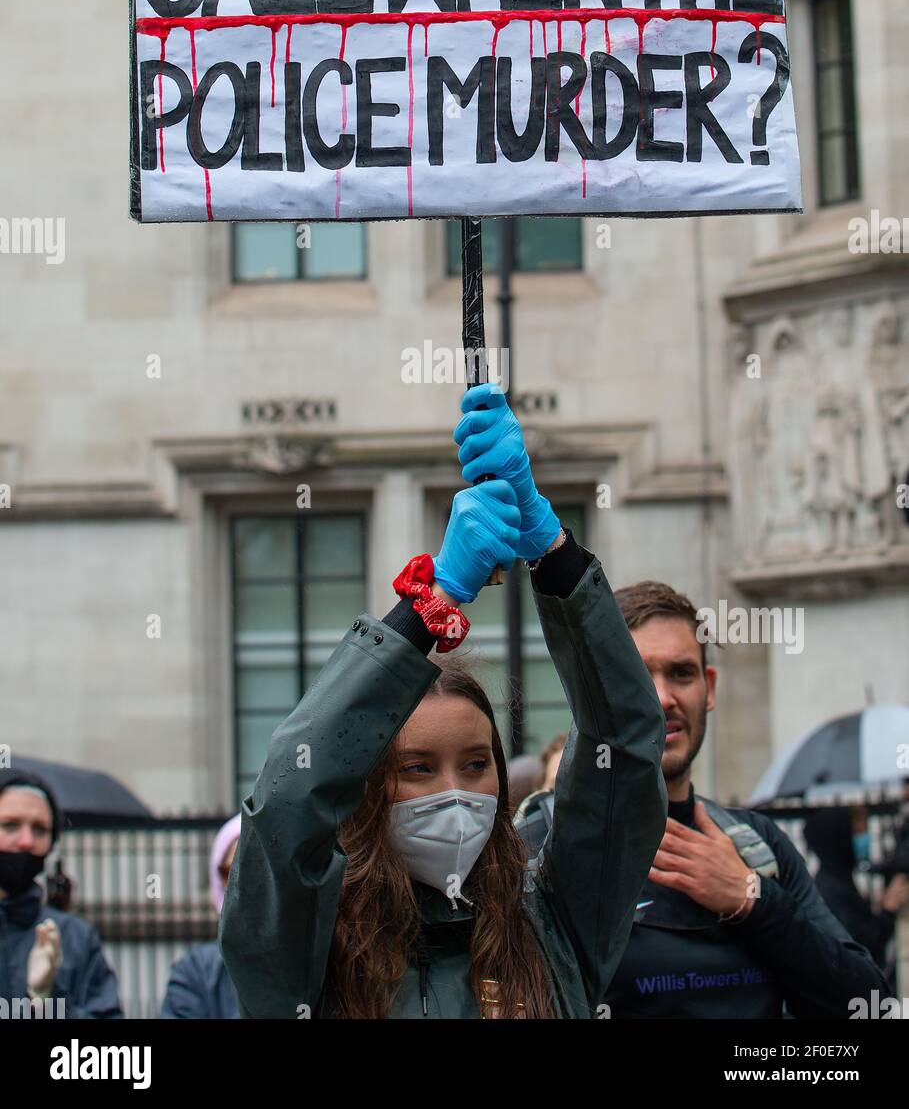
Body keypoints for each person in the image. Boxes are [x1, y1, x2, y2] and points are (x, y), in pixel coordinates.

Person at [220, 386, 666, 1019]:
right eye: (417, 768)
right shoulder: (308, 948)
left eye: (477, 764)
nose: (453, 793)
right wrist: (432, 602)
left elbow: (625, 749)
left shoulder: (555, 926)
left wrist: (552, 550)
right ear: (369, 787)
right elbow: (289, 800)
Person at [517, 581, 891, 1018]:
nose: (661, 699)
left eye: (681, 673)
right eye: (636, 677)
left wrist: (752, 900)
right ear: (596, 694)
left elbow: (867, 1003)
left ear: (709, 688)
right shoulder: (540, 845)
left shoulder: (757, 844)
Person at [0, 769, 122, 1018]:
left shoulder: (76, 938)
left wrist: (45, 1001)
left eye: (40, 829)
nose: (26, 841)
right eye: (10, 825)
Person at [803, 805, 908, 977]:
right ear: (839, 839)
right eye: (858, 832)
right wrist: (887, 911)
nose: (864, 838)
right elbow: (860, 946)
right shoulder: (830, 890)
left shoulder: (839, 881)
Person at [160, 814, 242, 1019]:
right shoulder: (195, 972)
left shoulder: (316, 963)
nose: (242, 883)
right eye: (230, 872)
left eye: (257, 867)